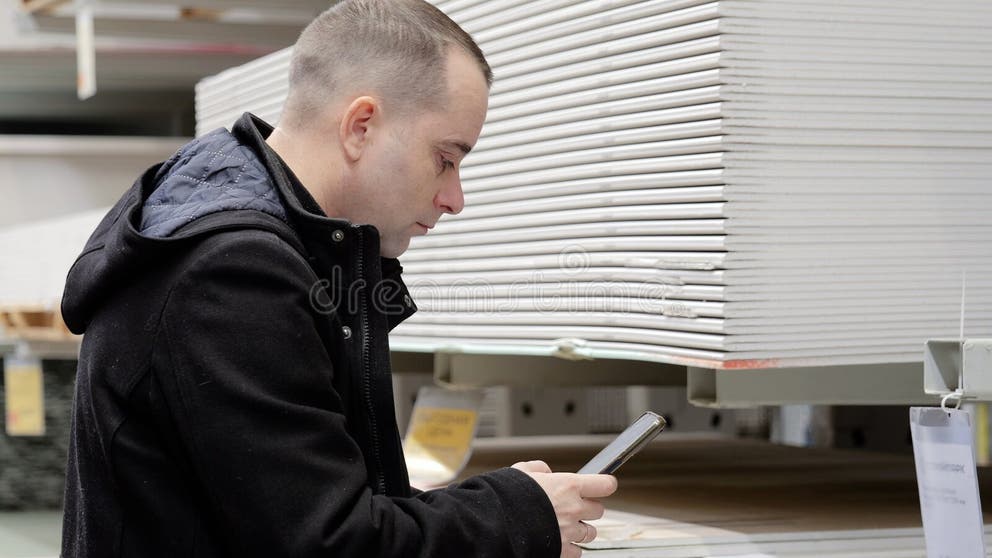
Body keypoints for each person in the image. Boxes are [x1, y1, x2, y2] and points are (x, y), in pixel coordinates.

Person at [59, 1, 617, 557]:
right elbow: (328, 542)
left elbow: (298, 510)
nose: (455, 199)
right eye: (445, 158)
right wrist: (517, 516)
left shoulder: (247, 240)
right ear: (361, 126)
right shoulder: (232, 275)